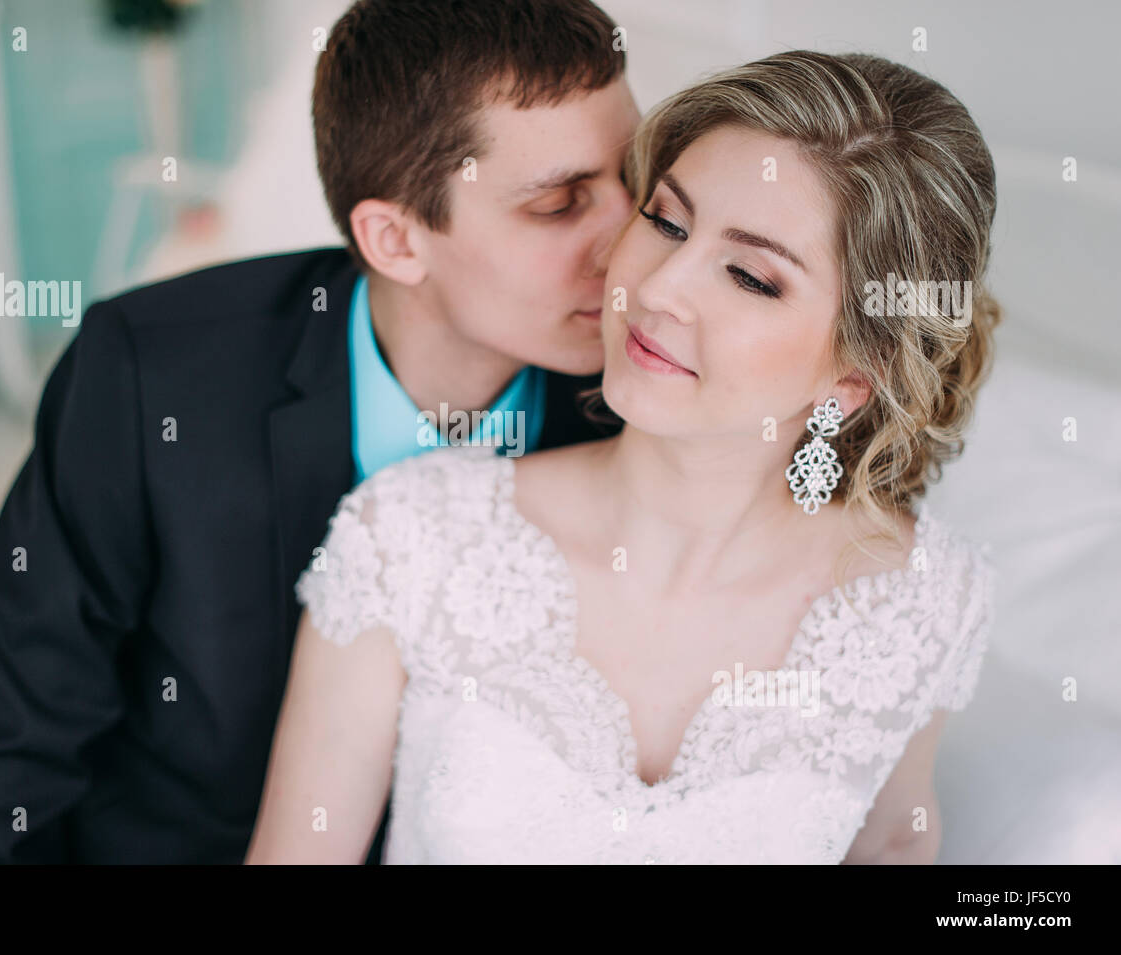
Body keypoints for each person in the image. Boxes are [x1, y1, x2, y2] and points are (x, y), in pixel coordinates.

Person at [0, 0, 638, 863]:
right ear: (395, 240)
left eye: (635, 175)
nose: (629, 241)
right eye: (558, 204)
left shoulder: (636, 398)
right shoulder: (149, 371)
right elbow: (20, 722)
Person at [246, 49, 1002, 864]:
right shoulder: (410, 536)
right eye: (667, 221)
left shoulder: (923, 607)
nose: (658, 286)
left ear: (856, 375)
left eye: (750, 276)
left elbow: (893, 847)